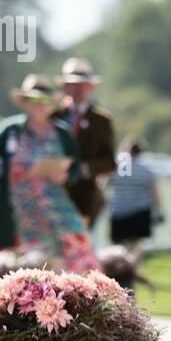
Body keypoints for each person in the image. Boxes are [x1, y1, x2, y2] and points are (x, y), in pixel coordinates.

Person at [0, 75, 101, 273]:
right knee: (33, 267)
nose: (40, 105)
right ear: (24, 102)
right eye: (34, 100)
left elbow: (75, 169)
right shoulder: (9, 131)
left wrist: (65, 176)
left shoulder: (62, 133)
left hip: (57, 209)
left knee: (81, 252)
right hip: (21, 215)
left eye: (45, 100)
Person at [53, 57, 116, 228]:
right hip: (54, 194)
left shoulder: (101, 120)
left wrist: (85, 168)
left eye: (84, 84)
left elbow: (110, 162)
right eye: (73, 84)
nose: (79, 89)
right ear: (65, 86)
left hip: (86, 197)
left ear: (91, 87)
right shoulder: (53, 116)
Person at [109, 135, 162, 251]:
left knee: (120, 247)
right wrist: (160, 211)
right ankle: (133, 266)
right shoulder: (147, 170)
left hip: (119, 211)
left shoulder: (116, 169)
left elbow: (104, 184)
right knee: (137, 245)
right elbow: (155, 193)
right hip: (140, 212)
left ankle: (121, 267)